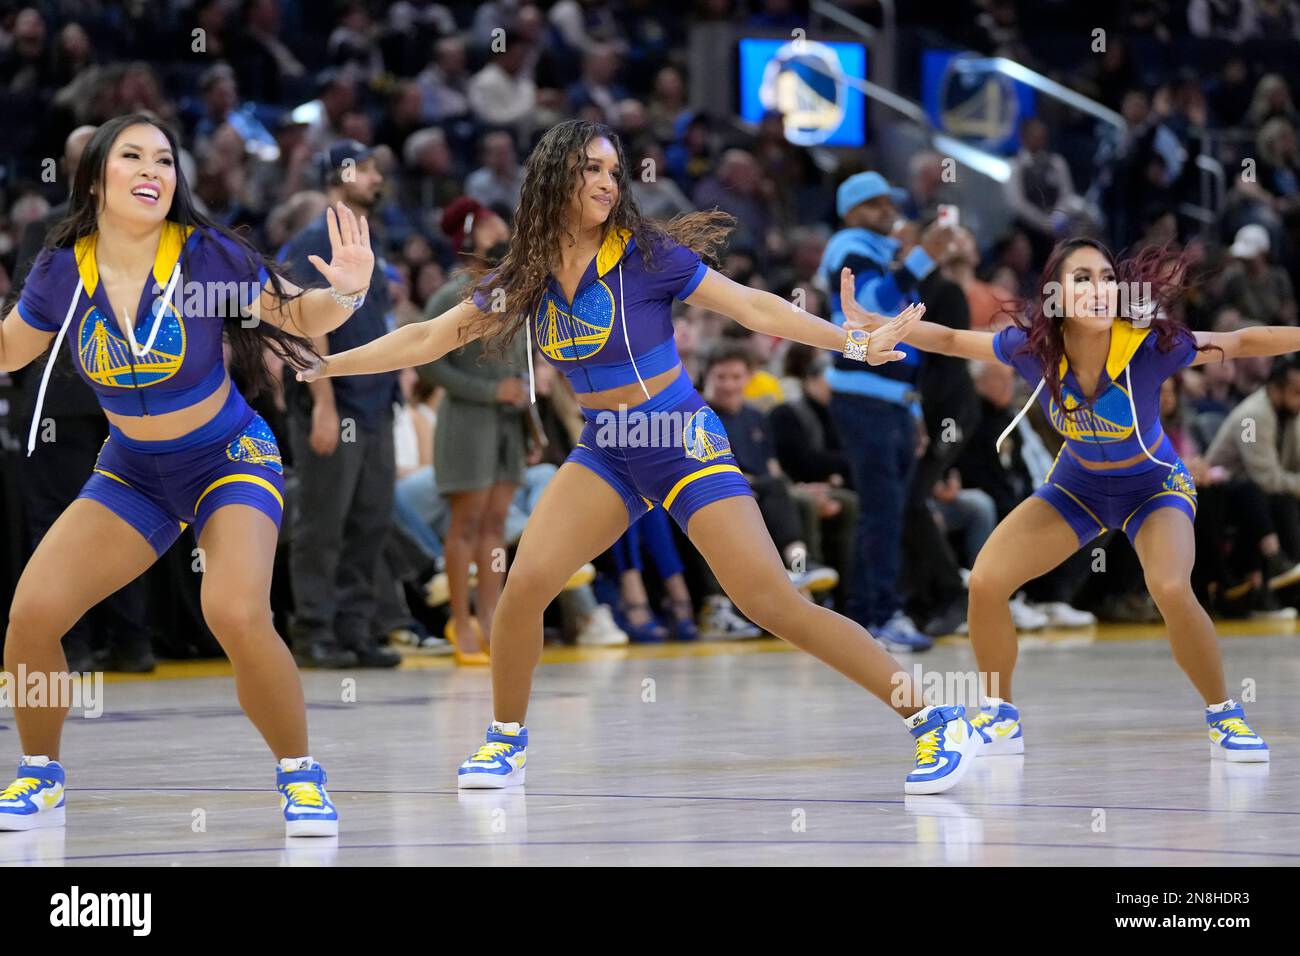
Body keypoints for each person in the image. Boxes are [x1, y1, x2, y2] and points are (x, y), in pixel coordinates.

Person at [294, 120, 984, 796]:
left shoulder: (645, 254)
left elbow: (753, 308)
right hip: (607, 446)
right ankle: (505, 739)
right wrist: (330, 363)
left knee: (770, 600)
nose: (605, 181)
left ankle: (935, 718)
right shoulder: (526, 275)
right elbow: (428, 339)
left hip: (678, 435)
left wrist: (852, 342)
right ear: (554, 175)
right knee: (526, 584)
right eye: (590, 168)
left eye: (612, 171)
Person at [0, 113, 375, 834]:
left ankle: (300, 776)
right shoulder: (61, 267)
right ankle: (41, 774)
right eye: (132, 157)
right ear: (94, 177)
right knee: (32, 615)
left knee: (233, 611)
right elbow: (13, 349)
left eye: (165, 160)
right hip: (133, 472)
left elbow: (295, 313)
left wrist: (348, 293)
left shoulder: (206, 257)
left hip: (227, 458)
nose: (151, 171)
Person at [843, 237, 1289, 762]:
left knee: (1169, 585)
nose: (1099, 289)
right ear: (1057, 293)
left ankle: (1224, 716)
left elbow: (1242, 341)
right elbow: (946, 338)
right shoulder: (1032, 349)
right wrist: (868, 322)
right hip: (1077, 489)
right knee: (986, 581)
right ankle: (999, 714)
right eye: (1082, 279)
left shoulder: (1152, 346)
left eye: (1106, 278)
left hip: (1154, 489)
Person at [281, 140, 401, 669]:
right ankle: (313, 629)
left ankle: (356, 627)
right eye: (369, 168)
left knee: (371, 520)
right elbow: (305, 332)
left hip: (376, 403)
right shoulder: (311, 241)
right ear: (341, 175)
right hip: (337, 403)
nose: (377, 177)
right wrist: (324, 404)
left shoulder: (371, 240)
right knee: (323, 522)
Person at [419, 197, 527, 664]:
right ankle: (459, 620)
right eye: (489, 227)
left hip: (508, 426)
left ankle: (491, 619)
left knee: (497, 526)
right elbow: (429, 366)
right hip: (467, 422)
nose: (501, 232)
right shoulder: (451, 296)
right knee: (465, 524)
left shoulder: (514, 289)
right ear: (467, 237)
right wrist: (490, 393)